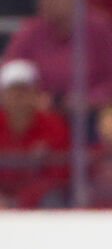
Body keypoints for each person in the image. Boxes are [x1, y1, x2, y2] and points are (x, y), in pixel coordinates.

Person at [1, 0, 112, 123]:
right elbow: (9, 73)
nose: (51, 1)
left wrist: (90, 100)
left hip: (92, 115)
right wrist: (33, 99)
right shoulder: (30, 32)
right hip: (43, 116)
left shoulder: (101, 27)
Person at [0, 57, 70, 208]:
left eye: (24, 91)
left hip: (38, 205)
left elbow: (61, 175)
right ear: (3, 95)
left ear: (35, 94)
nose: (19, 98)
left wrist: (23, 200)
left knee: (53, 199)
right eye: (13, 91)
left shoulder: (54, 125)